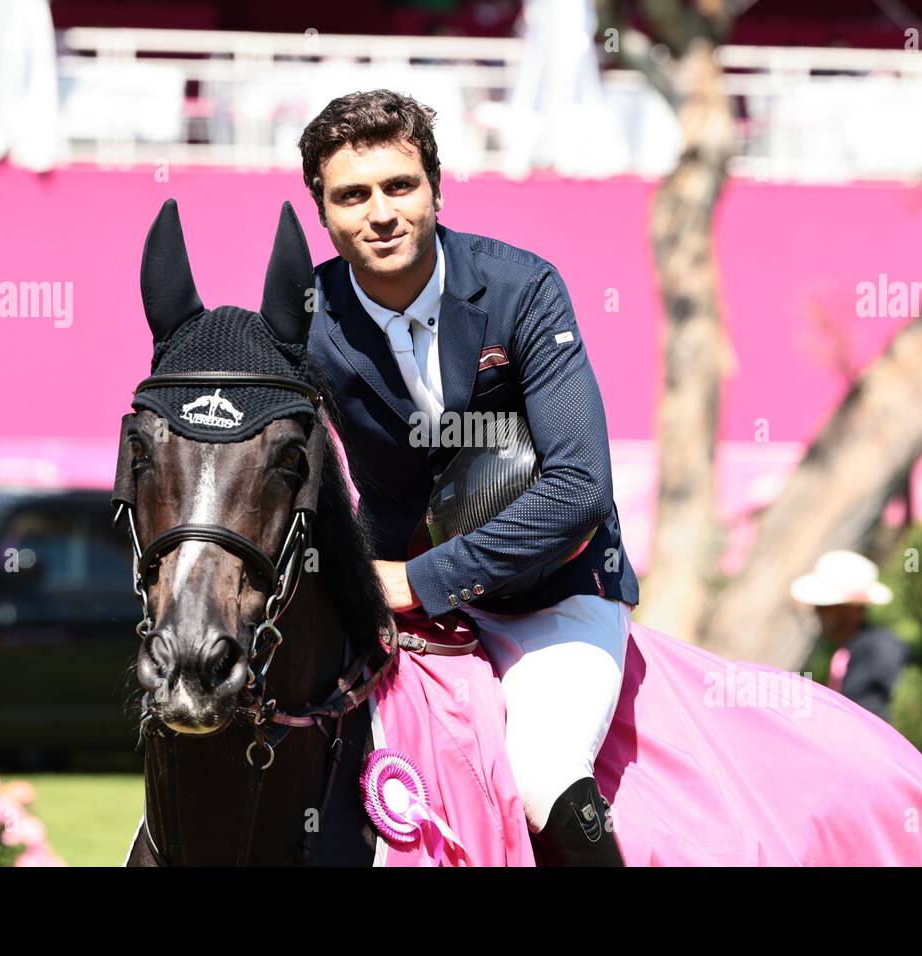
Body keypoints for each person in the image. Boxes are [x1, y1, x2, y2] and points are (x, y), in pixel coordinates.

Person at [297, 89, 639, 865]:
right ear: (322, 212)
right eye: (352, 195)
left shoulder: (524, 288)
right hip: (388, 593)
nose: (380, 212)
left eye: (399, 186)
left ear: (437, 188)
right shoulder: (304, 311)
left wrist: (418, 579)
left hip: (551, 592)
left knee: (543, 773)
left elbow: (580, 485)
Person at [790, 550, 909, 723]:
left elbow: (875, 720)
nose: (816, 612)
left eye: (824, 607)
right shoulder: (854, 652)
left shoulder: (880, 651)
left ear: (851, 610)